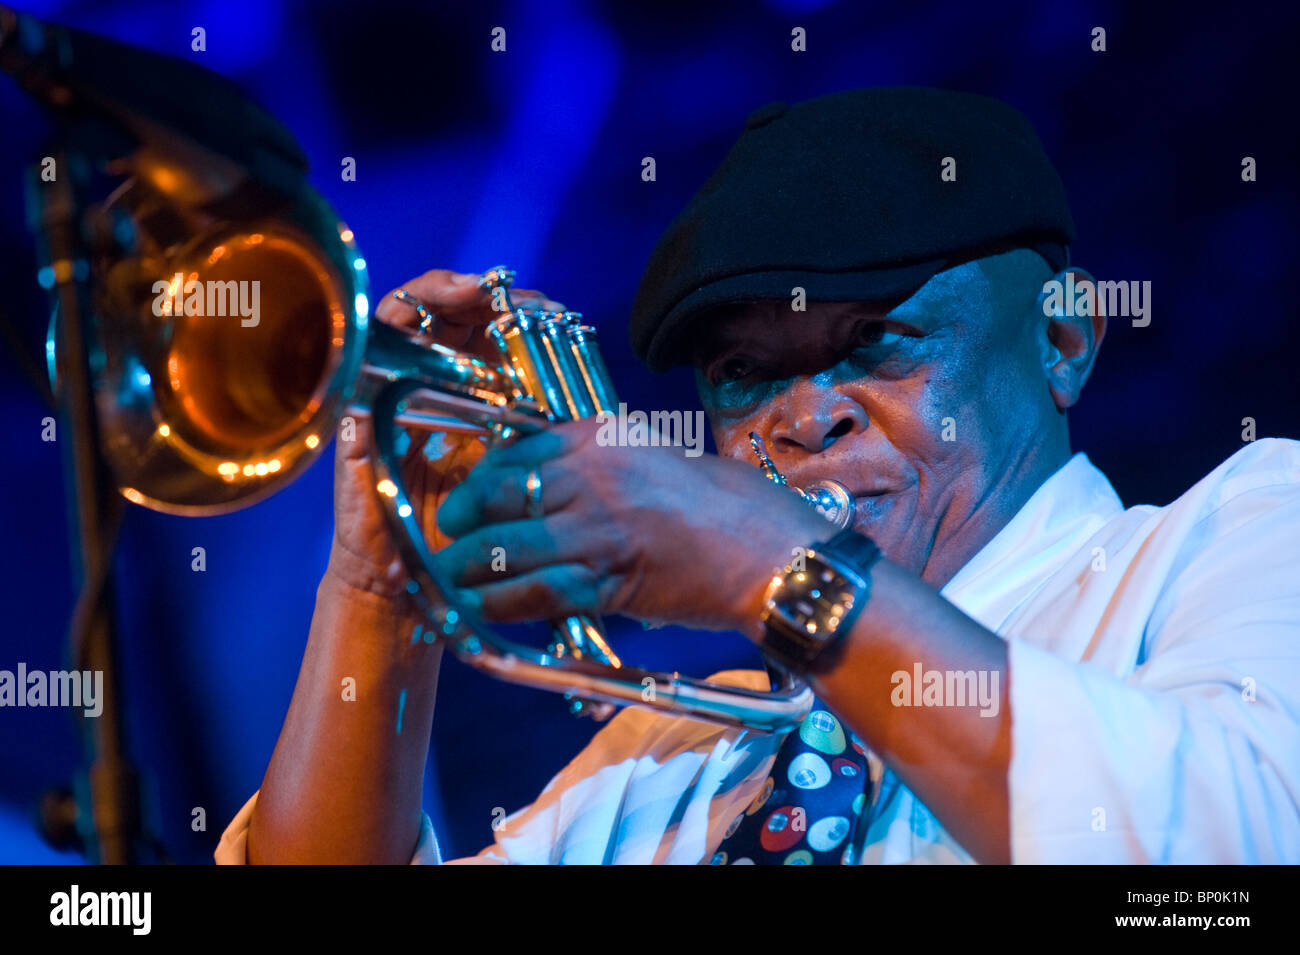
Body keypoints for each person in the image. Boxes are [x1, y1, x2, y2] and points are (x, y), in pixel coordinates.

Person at [216, 87, 1300, 865]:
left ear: (1062, 341)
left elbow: (1223, 855)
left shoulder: (1238, 528)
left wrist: (775, 566)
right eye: (744, 372)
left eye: (875, 341)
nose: (804, 417)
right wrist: (382, 583)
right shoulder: (669, 753)